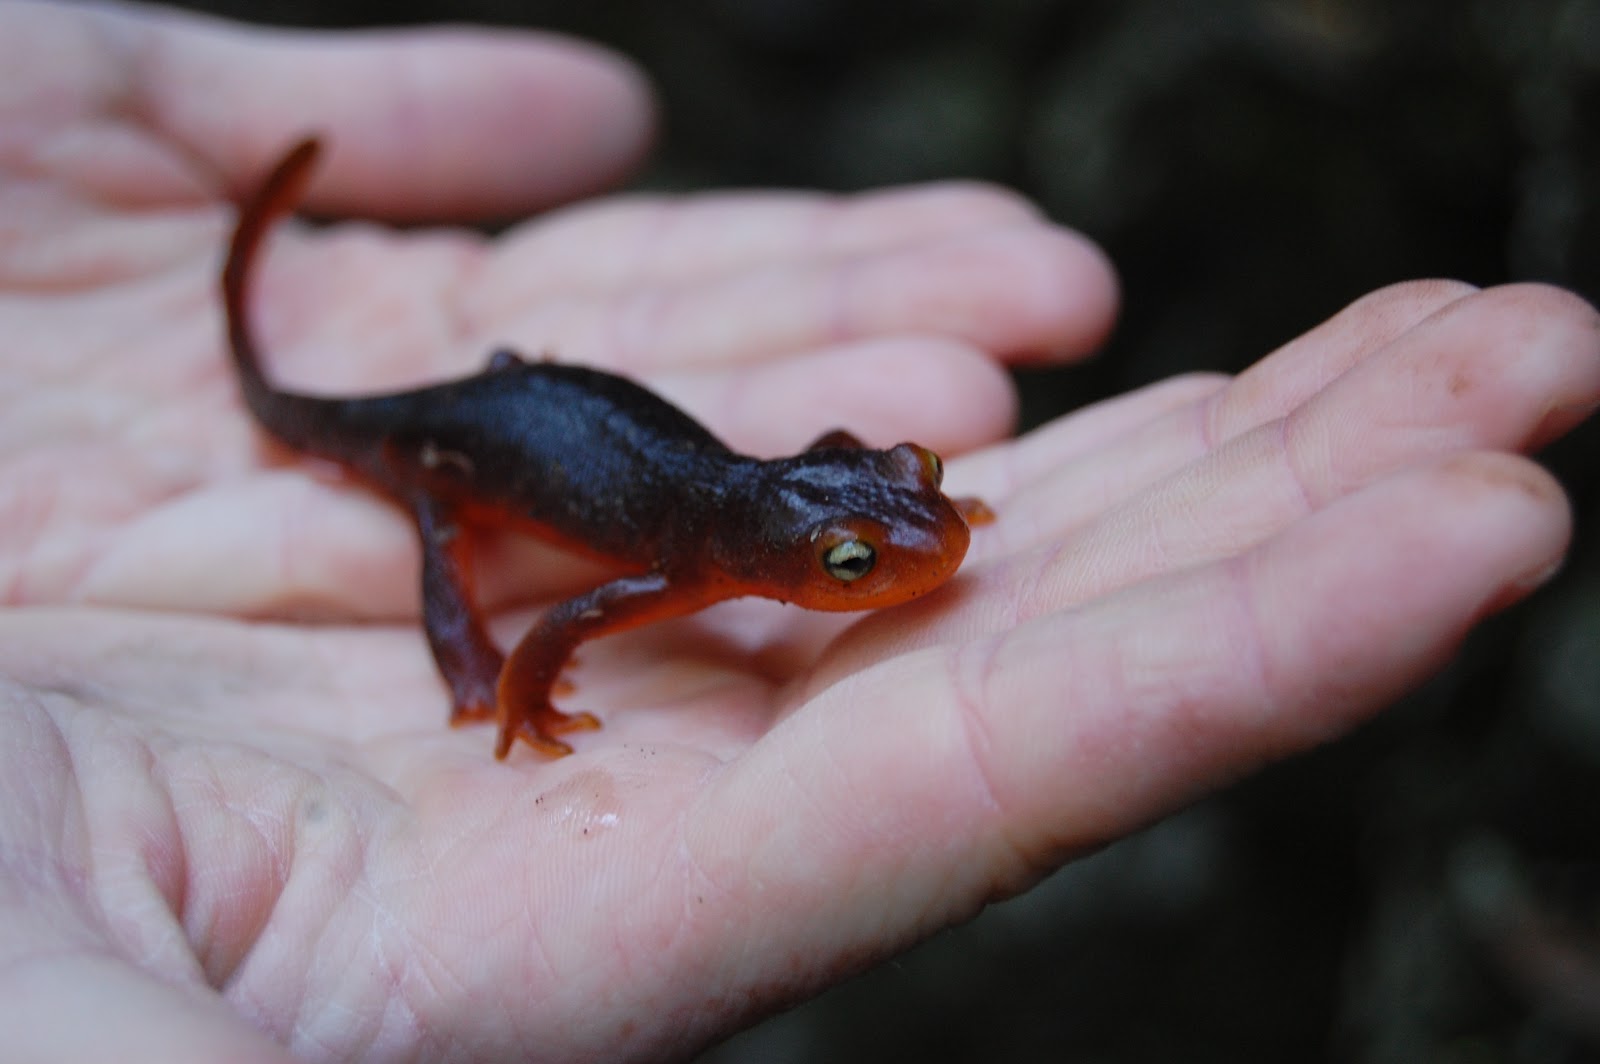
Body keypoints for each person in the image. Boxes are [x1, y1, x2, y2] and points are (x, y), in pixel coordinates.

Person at [1, 1, 1595, 1060]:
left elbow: (840, 458)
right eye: (857, 572)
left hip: (547, 405)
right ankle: (450, 657)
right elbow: (568, 614)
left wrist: (911, 507)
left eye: (874, 539)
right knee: (451, 541)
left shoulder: (755, 515)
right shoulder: (680, 562)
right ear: (778, 571)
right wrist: (516, 669)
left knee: (578, 433)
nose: (888, 570)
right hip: (458, 438)